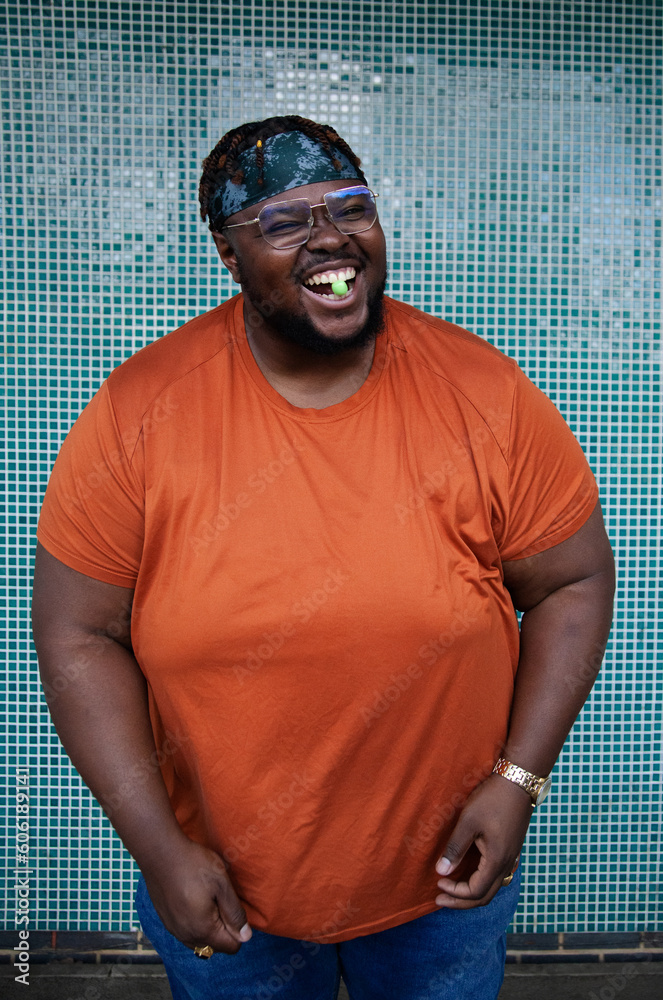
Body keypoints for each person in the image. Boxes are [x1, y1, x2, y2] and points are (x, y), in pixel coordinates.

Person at [32, 115, 615, 1000]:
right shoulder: (139, 410)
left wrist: (517, 783)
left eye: (350, 208)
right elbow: (77, 636)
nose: (330, 237)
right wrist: (157, 848)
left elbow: (572, 578)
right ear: (229, 257)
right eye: (284, 221)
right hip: (225, 890)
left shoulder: (484, 393)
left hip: (443, 888)